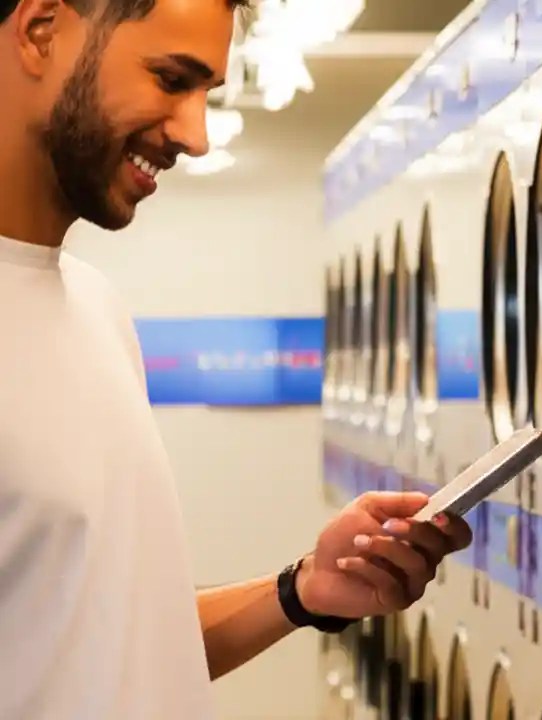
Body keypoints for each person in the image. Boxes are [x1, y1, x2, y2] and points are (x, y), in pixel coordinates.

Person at [0, 0, 472, 717]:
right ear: (40, 31)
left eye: (207, 94)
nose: (195, 135)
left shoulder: (95, 308)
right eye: (170, 79)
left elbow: (112, 643)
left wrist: (303, 590)